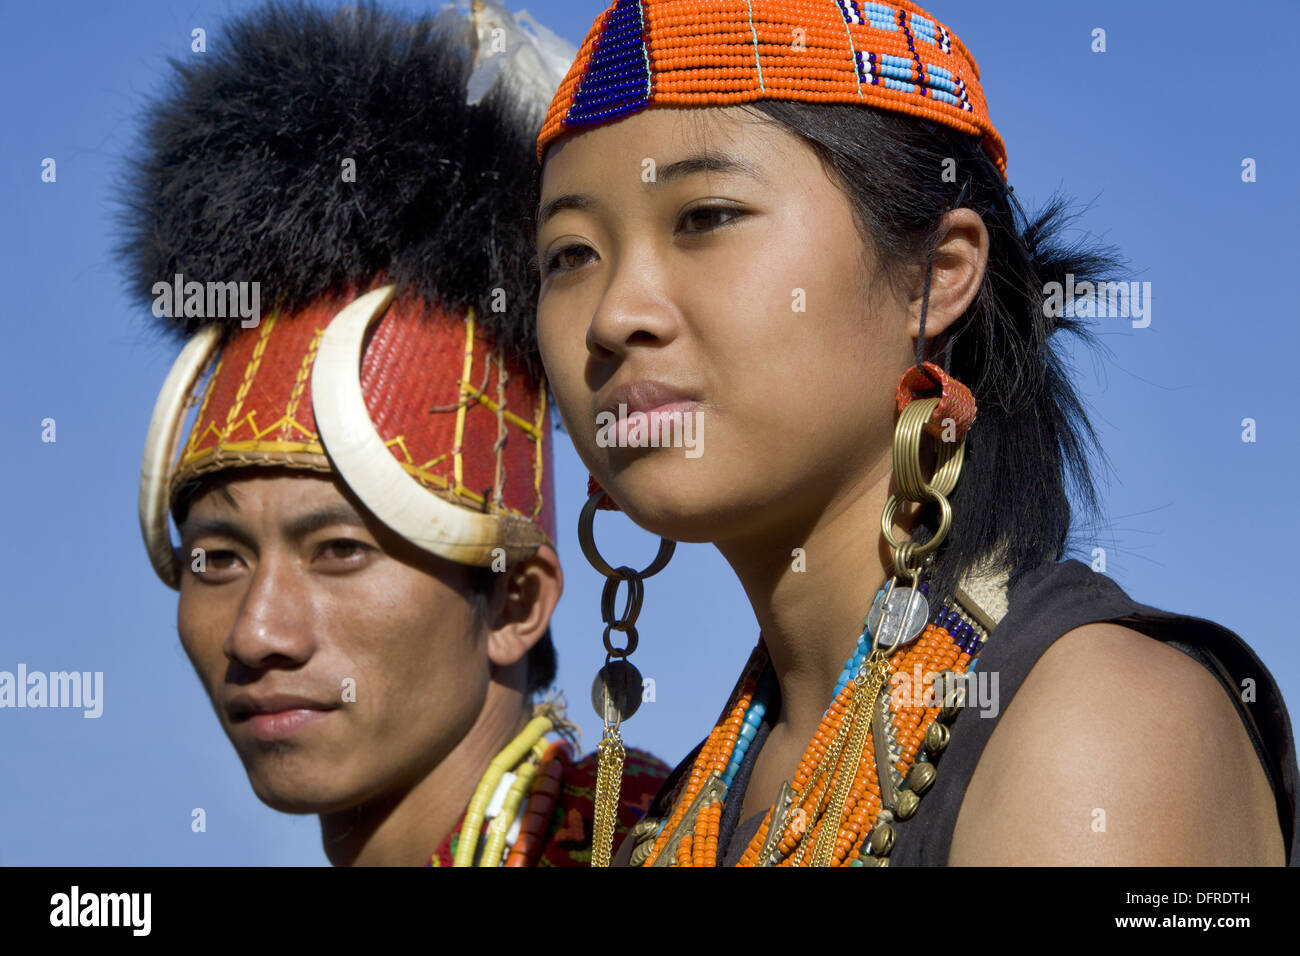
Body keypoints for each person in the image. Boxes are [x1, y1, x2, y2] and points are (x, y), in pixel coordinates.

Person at [530, 0, 1298, 865]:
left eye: (706, 216)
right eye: (570, 255)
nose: (615, 313)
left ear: (933, 276)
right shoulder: (702, 798)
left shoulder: (1100, 729)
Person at [118, 0, 666, 867]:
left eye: (338, 548)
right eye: (216, 559)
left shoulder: (673, 844)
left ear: (514, 598)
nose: (257, 634)